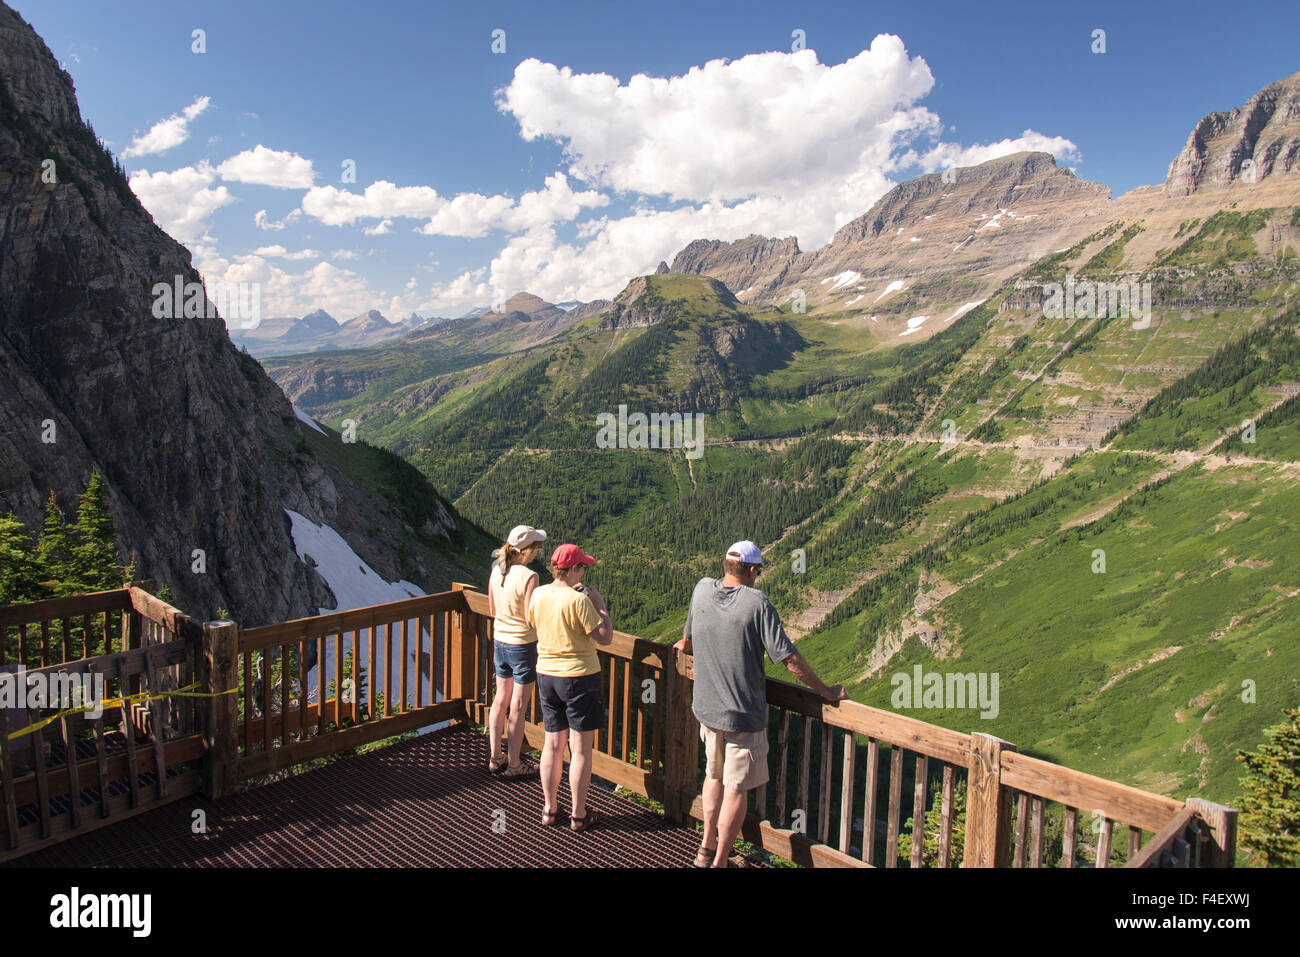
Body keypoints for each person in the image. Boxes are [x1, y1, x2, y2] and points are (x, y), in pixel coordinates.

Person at [673, 540, 846, 868]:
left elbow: (691, 638)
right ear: (752, 571)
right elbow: (789, 658)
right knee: (736, 788)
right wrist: (825, 690)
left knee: (712, 778)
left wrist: (684, 645)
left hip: (706, 709)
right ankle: (721, 860)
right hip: (742, 715)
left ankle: (704, 849)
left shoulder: (700, 590)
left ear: (726, 566)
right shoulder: (756, 603)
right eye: (759, 571)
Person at [527, 543, 612, 831]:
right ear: (573, 569)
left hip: (546, 675)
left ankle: (549, 808)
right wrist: (599, 605)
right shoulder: (579, 601)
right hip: (579, 677)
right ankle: (578, 814)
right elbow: (605, 637)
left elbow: (531, 622)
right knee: (580, 749)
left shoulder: (539, 594)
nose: (584, 573)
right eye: (582, 568)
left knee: (552, 744)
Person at [486, 524, 546, 777]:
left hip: (499, 641)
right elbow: (530, 618)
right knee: (518, 706)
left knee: (500, 699)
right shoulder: (530, 577)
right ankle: (514, 764)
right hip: (522, 645)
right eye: (537, 547)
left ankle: (494, 757)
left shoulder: (496, 571)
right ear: (528, 550)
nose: (538, 552)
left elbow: (492, 611)